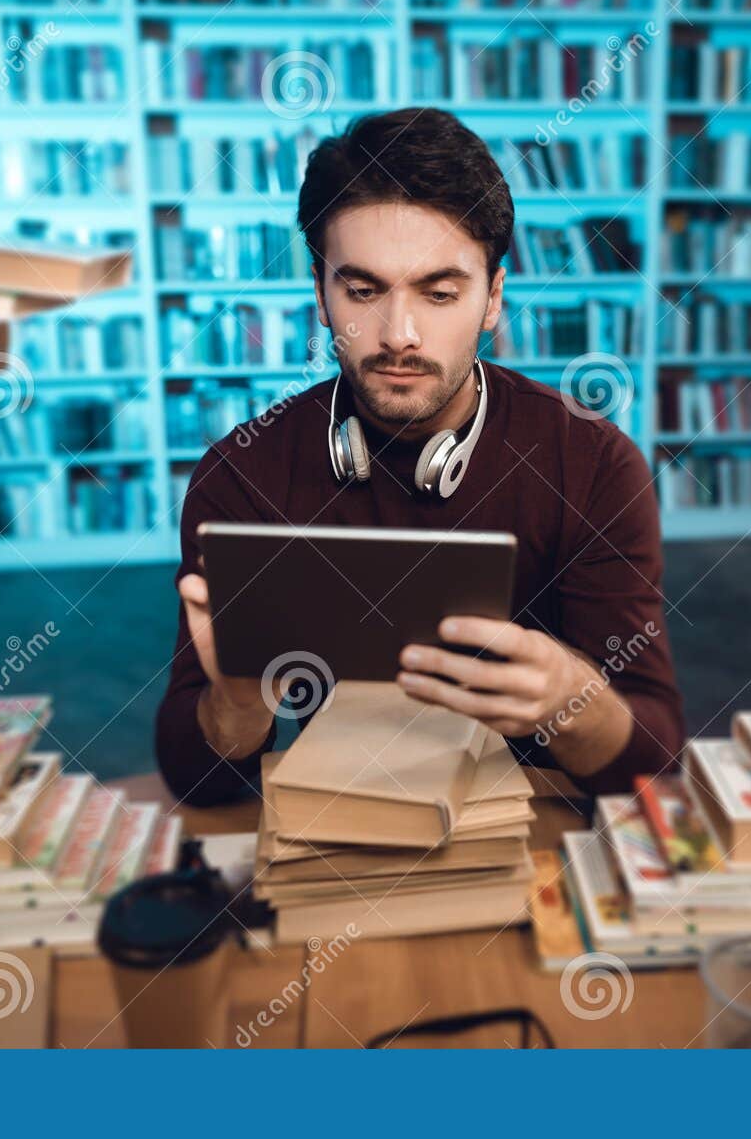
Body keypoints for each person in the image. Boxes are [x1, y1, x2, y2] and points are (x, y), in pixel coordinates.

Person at [155, 107, 685, 805]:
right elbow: (196, 783)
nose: (399, 334)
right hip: (344, 817)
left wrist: (571, 696)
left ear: (494, 297)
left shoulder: (594, 463)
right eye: (363, 290)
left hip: (531, 827)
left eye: (440, 293)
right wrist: (238, 705)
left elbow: (653, 761)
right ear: (319, 292)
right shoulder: (242, 475)